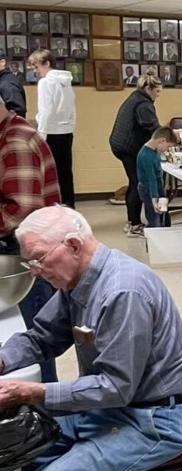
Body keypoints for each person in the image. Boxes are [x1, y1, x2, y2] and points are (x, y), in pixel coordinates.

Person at [0, 206, 182, 471]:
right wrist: (4, 359)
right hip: (119, 407)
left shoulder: (122, 291)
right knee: (25, 452)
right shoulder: (78, 279)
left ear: (73, 245)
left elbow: (115, 388)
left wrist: (30, 392)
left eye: (39, 259)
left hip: (159, 420)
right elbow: (42, 338)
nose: (34, 270)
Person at [0, 95, 61, 383]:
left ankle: (43, 420)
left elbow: (20, 210)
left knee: (33, 344)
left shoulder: (15, 142)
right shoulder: (9, 134)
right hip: (21, 251)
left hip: (24, 256)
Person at [109, 74, 162, 237]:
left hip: (121, 144)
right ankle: (134, 225)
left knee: (134, 182)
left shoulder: (135, 97)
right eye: (157, 91)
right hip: (128, 147)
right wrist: (170, 136)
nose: (158, 94)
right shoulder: (143, 104)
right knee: (137, 183)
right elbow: (152, 127)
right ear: (148, 89)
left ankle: (132, 222)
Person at [29, 49, 76, 208]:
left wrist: (40, 133)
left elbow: (46, 110)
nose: (36, 72)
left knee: (51, 175)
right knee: (65, 173)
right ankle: (69, 206)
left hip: (51, 133)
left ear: (47, 63)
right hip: (67, 131)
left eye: (37, 67)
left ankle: (55, 210)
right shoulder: (66, 81)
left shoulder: (46, 82)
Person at [136, 127, 178, 227]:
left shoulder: (154, 150)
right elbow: (151, 179)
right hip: (149, 191)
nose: (167, 150)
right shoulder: (146, 155)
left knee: (164, 219)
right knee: (154, 222)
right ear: (161, 141)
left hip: (157, 189)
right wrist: (154, 199)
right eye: (168, 146)